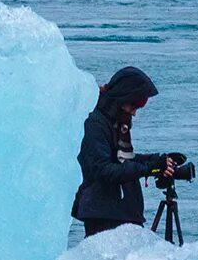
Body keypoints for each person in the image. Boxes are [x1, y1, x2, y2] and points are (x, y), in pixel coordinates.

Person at [72, 65, 168, 239]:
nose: (134, 112)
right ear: (122, 98)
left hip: (117, 212)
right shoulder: (95, 124)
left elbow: (121, 160)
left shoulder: (113, 122)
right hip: (105, 215)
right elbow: (104, 170)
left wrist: (155, 161)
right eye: (134, 105)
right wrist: (149, 168)